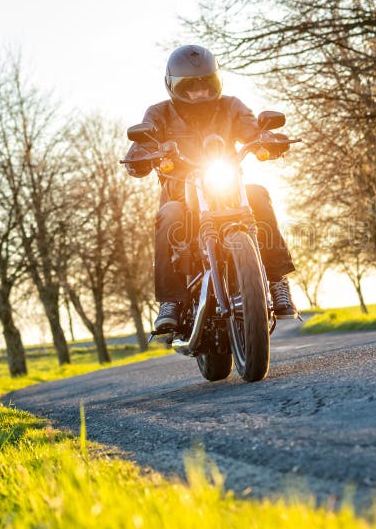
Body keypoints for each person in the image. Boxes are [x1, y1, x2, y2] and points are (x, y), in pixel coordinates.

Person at [123, 45, 298, 330]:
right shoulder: (159, 113)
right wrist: (142, 155)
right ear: (174, 86)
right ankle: (171, 300)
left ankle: (277, 281)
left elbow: (252, 130)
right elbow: (140, 148)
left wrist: (268, 139)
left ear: (216, 81)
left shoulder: (231, 106)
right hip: (181, 195)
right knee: (169, 214)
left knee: (258, 194)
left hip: (229, 190)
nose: (200, 92)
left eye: (206, 84)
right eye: (190, 87)